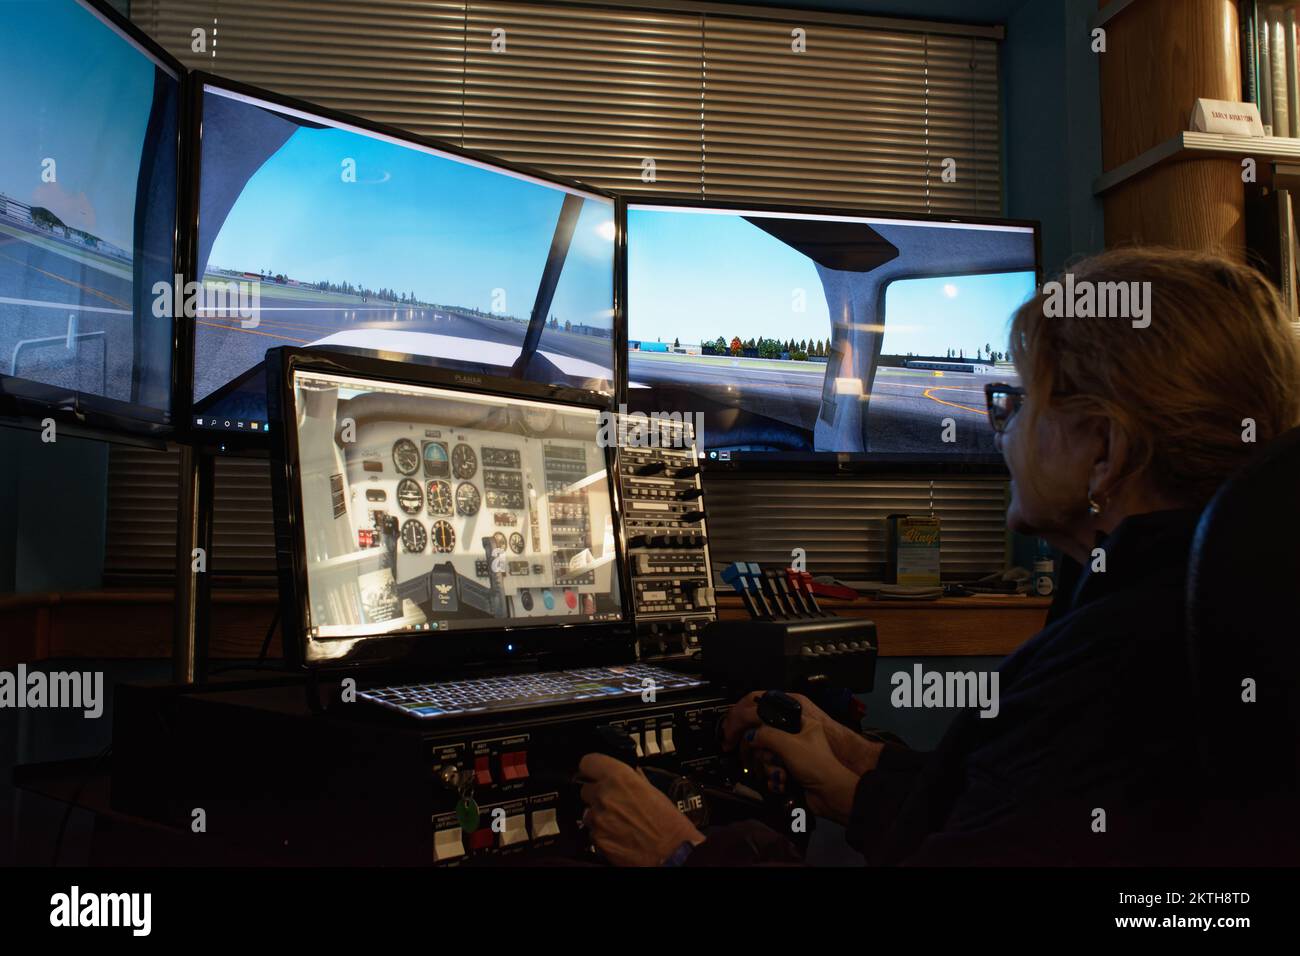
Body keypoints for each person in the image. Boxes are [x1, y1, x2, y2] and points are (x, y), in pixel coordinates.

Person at [578, 247, 1300, 866]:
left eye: (1020, 404)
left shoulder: (1114, 669)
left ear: (1103, 452)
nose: (1002, 431)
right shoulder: (1187, 618)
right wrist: (860, 769)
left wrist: (679, 851)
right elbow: (1009, 819)